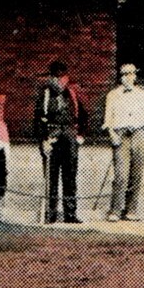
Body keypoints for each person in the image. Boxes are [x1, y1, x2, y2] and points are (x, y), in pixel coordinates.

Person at [32, 59, 88, 224]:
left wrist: (81, 135)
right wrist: (43, 140)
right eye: (55, 77)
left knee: (70, 176)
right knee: (51, 177)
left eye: (61, 77)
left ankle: (70, 213)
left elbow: (84, 114)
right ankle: (51, 214)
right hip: (51, 137)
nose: (58, 81)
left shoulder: (73, 92)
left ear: (66, 77)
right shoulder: (45, 93)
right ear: (50, 78)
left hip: (69, 136)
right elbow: (38, 119)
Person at [102, 62, 144, 220]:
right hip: (120, 135)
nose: (127, 77)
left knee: (136, 174)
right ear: (120, 77)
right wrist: (113, 135)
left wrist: (137, 124)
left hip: (139, 135)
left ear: (135, 76)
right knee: (121, 175)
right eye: (124, 74)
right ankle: (115, 210)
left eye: (131, 73)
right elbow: (108, 120)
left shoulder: (142, 94)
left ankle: (131, 209)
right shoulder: (113, 95)